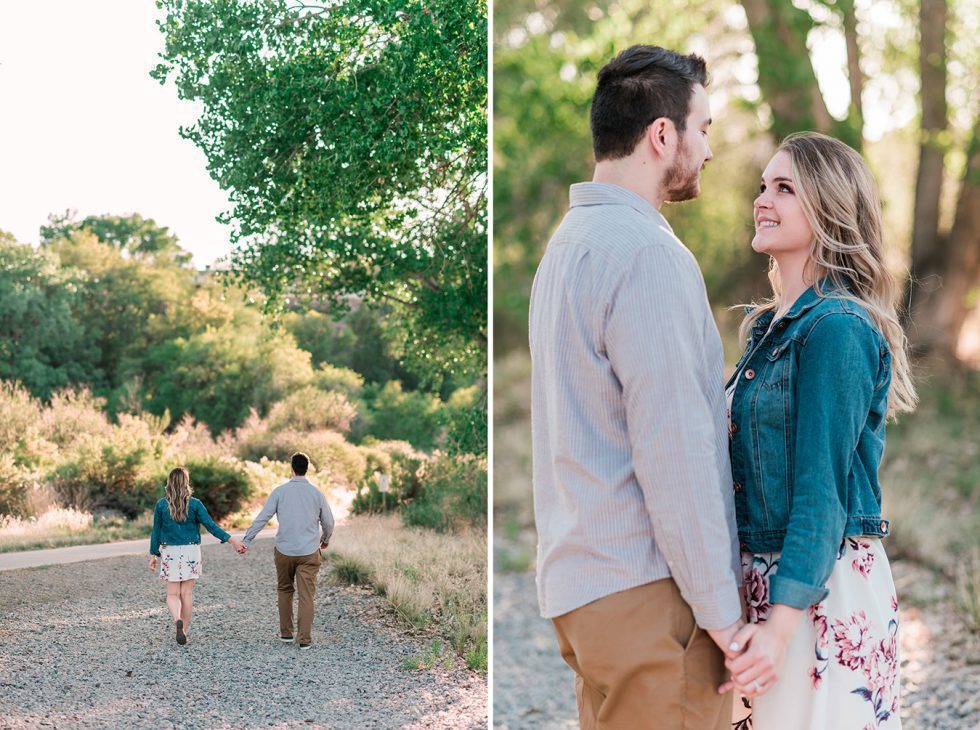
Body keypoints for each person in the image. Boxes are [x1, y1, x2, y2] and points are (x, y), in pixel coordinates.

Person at [529, 45, 746, 729]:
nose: (708, 149)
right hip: (652, 597)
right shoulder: (648, 254)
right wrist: (723, 615)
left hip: (583, 593)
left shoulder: (566, 249)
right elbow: (673, 451)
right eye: (703, 128)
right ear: (662, 134)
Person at [723, 132, 917, 729]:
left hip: (817, 591)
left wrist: (780, 625)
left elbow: (820, 493)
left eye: (785, 189)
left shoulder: (835, 327)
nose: (763, 199)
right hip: (766, 585)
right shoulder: (766, 328)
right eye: (762, 186)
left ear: (829, 207)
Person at [241, 452, 334, 649]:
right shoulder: (317, 494)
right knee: (306, 595)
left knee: (285, 590)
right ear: (307, 469)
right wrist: (325, 539)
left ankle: (286, 633)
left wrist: (247, 539)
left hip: (284, 551)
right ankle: (304, 640)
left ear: (291, 469)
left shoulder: (279, 492)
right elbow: (329, 522)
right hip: (309, 551)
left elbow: (262, 518)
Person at [149, 467, 245, 645]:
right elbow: (211, 526)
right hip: (191, 551)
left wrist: (154, 554)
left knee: (172, 594)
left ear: (169, 483)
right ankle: (184, 630)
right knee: (186, 594)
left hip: (169, 551)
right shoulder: (195, 504)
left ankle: (176, 618)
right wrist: (233, 541)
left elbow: (156, 531)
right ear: (186, 483)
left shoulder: (161, 505)